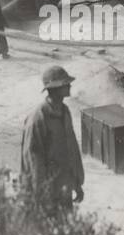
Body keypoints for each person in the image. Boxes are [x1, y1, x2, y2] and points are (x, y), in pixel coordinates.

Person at [20, 65, 85, 213]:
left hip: (64, 188)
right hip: (45, 192)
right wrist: (40, 194)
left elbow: (71, 149)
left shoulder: (65, 112)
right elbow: (32, 159)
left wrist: (76, 183)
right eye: (65, 83)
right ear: (55, 88)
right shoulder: (38, 117)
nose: (69, 85)